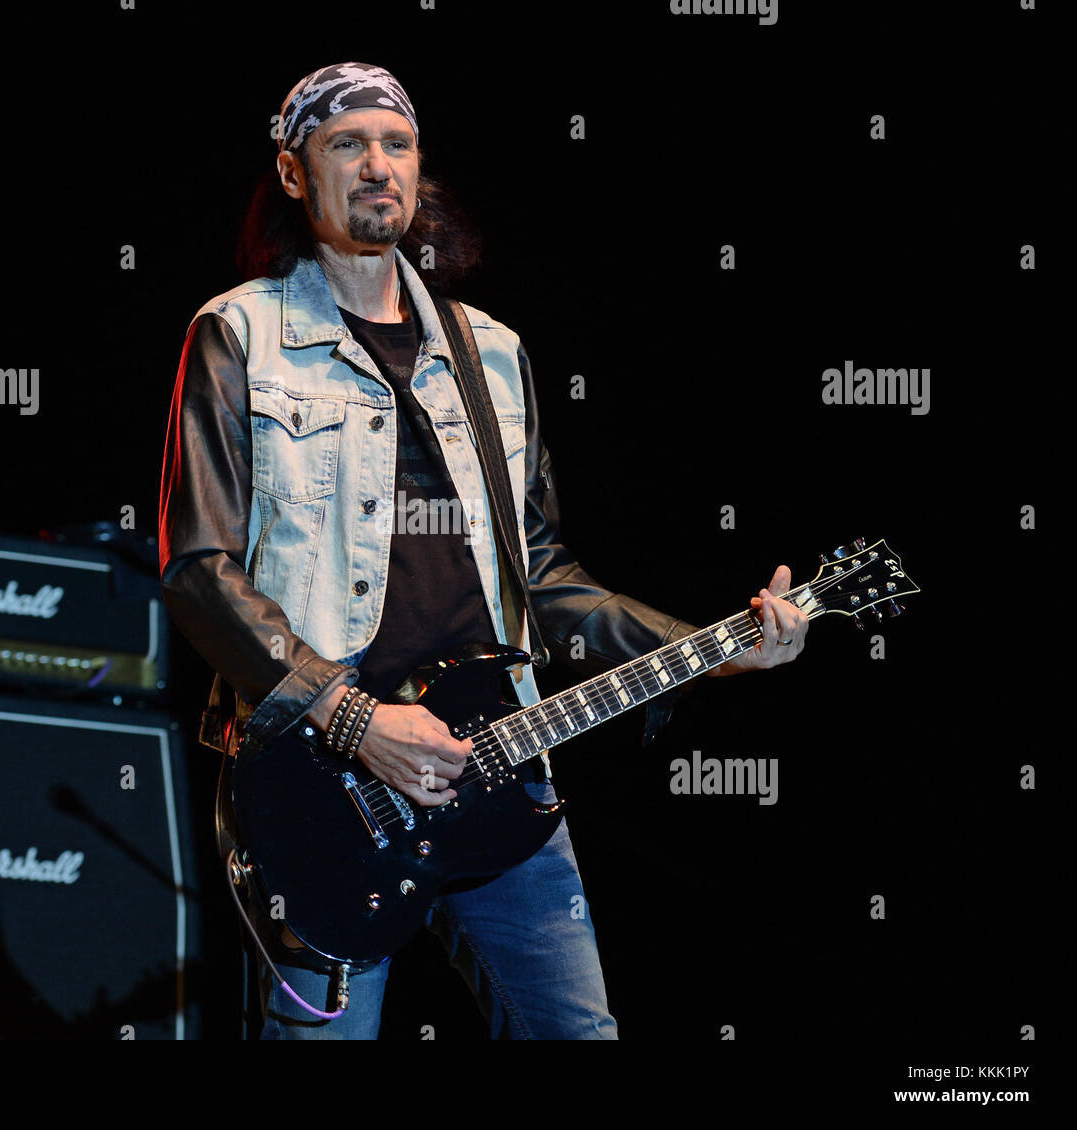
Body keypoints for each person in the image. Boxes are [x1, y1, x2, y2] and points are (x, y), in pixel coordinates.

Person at [158, 61, 808, 1039]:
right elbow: (199, 571)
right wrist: (352, 720)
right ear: (296, 173)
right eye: (346, 143)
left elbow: (542, 578)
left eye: (397, 143)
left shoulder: (491, 352)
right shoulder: (239, 333)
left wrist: (716, 640)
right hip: (320, 788)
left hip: (501, 765)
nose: (377, 163)